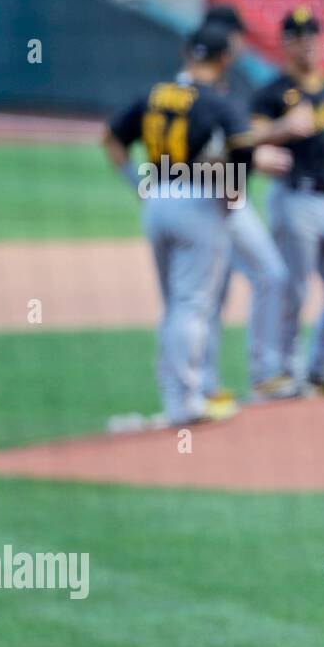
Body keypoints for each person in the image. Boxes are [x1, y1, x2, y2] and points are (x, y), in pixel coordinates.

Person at [102, 24, 293, 426]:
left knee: (175, 305)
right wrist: (232, 193)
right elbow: (242, 148)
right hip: (198, 203)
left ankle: (175, 396)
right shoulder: (216, 101)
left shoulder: (155, 93)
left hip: (157, 198)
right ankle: (188, 400)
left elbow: (112, 138)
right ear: (225, 58)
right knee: (193, 305)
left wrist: (137, 183)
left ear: (189, 54)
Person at [197, 3, 309, 407]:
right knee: (242, 283)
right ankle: (220, 383)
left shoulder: (222, 83)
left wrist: (252, 153)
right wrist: (264, 148)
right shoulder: (204, 88)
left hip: (225, 196)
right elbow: (197, 151)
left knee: (242, 283)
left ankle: (241, 378)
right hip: (210, 198)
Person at [250, 7, 324, 395]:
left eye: (312, 34)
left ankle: (318, 368)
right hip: (293, 198)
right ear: (284, 43)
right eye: (297, 36)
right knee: (294, 289)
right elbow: (251, 144)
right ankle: (285, 371)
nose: (307, 42)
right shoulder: (272, 92)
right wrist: (284, 128)